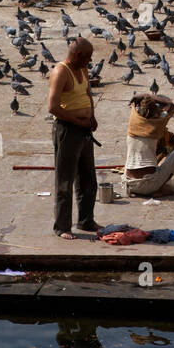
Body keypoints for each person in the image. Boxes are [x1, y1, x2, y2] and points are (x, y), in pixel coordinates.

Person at [47, 37, 100, 239]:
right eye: (87, 57)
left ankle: (86, 220)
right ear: (77, 55)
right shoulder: (61, 72)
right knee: (65, 180)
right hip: (68, 130)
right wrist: (78, 122)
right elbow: (52, 107)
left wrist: (92, 116)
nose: (90, 61)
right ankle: (62, 227)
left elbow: (88, 94)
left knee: (88, 178)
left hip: (84, 129)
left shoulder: (83, 69)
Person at [123, 91, 174, 197]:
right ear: (154, 112)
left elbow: (141, 95)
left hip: (129, 184)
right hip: (148, 186)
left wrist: (153, 98)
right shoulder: (157, 125)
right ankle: (159, 188)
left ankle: (153, 185)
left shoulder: (132, 121)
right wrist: (170, 101)